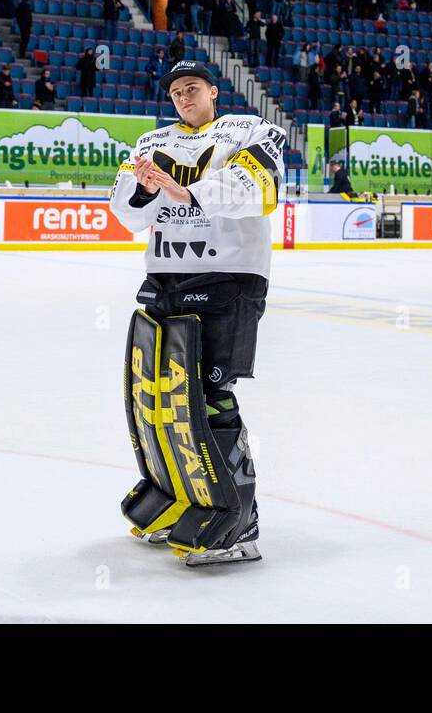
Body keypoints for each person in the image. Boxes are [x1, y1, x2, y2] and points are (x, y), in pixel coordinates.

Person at [108, 58, 287, 567]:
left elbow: (259, 188)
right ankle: (181, 496)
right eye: (176, 92)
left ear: (213, 90)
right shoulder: (149, 143)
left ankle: (240, 520)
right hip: (165, 275)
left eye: (192, 88)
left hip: (229, 276)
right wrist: (146, 187)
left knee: (209, 394)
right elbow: (125, 212)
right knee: (162, 394)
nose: (184, 97)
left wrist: (186, 191)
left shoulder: (248, 129)